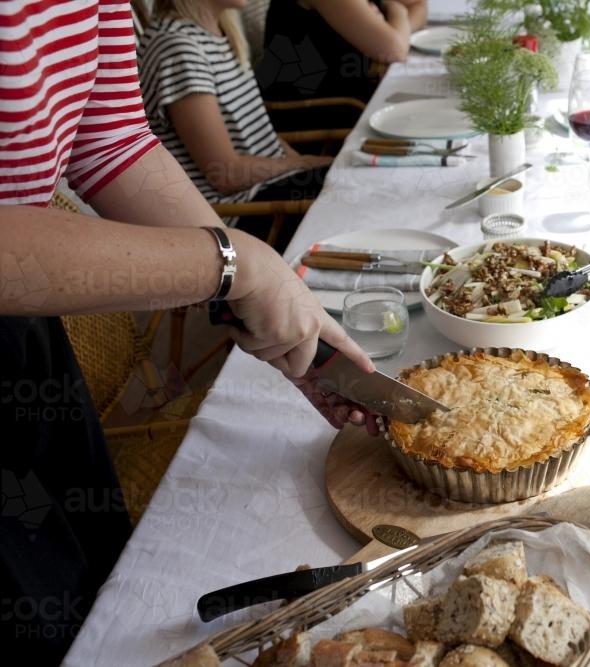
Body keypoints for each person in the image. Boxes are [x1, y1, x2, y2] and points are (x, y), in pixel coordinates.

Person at [1, 1, 375, 662]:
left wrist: (262, 283)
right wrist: (231, 266)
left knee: (102, 589)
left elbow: (109, 136)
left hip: (25, 321)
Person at [137, 0, 333, 252]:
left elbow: (262, 134)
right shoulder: (177, 48)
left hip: (265, 193)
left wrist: (303, 164)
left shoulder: (221, 31)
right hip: (238, 217)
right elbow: (226, 175)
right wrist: (305, 164)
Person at [255, 0, 428, 131]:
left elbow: (419, 6)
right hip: (318, 112)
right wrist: (396, 12)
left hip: (357, 96)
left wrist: (395, 29)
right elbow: (395, 50)